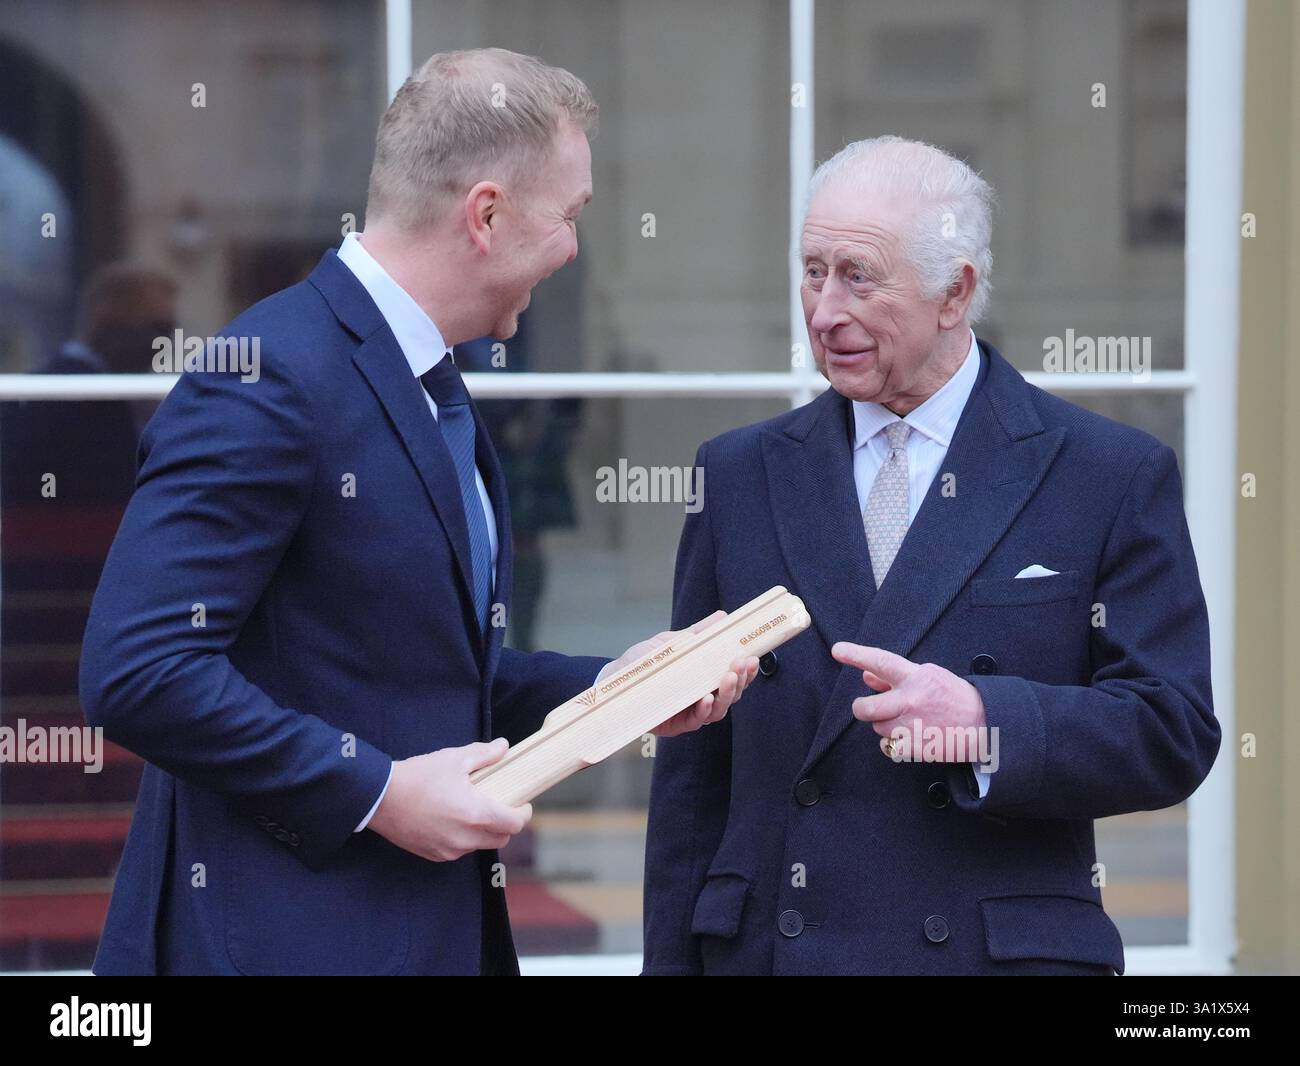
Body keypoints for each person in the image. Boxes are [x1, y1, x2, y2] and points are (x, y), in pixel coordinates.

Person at [80, 48, 756, 976]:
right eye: (570, 216)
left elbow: (417, 669)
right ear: (486, 214)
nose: (571, 248)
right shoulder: (274, 372)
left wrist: (615, 691)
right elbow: (137, 669)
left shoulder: (428, 377)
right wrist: (380, 793)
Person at [642, 135, 1220, 976]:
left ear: (957, 293)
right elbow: (692, 773)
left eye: (858, 276)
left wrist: (989, 722)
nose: (824, 310)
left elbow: (1173, 731)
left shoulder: (1106, 473)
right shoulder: (736, 474)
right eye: (813, 270)